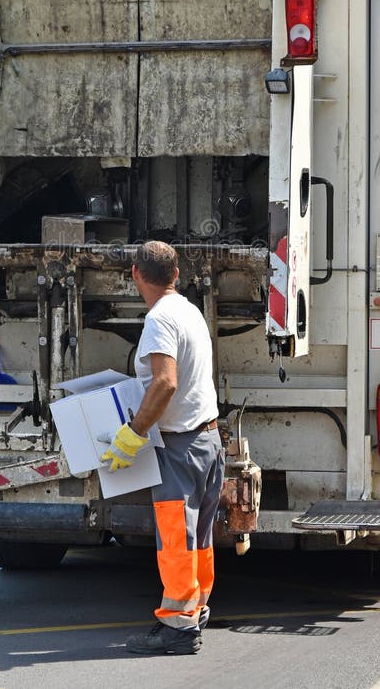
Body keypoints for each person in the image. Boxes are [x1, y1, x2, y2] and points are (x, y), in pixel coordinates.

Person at [100, 240, 224, 656]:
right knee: (198, 538)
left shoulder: (158, 319)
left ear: (136, 274)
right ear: (176, 274)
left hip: (179, 448)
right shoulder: (189, 311)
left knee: (175, 539)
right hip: (208, 440)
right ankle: (196, 610)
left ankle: (178, 628)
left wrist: (132, 433)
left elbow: (165, 381)